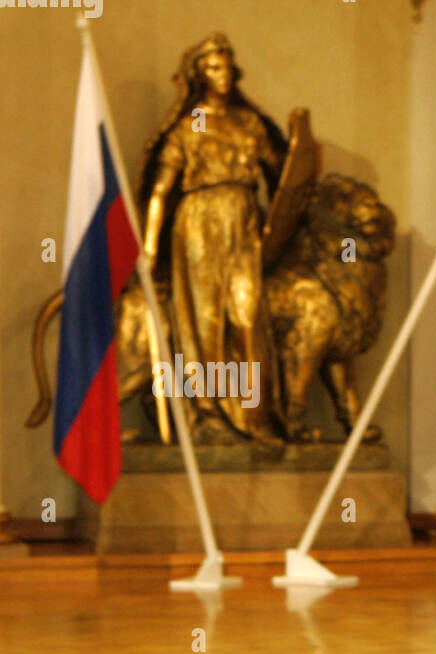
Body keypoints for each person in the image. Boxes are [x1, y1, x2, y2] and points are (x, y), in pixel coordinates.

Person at [139, 32, 286, 442]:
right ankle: (207, 411)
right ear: (199, 76)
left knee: (247, 315)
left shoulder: (249, 123)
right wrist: (150, 247)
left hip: (242, 220)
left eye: (226, 66)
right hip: (200, 221)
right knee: (203, 318)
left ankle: (253, 414)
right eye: (213, 68)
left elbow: (282, 177)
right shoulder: (191, 126)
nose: (222, 75)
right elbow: (160, 191)